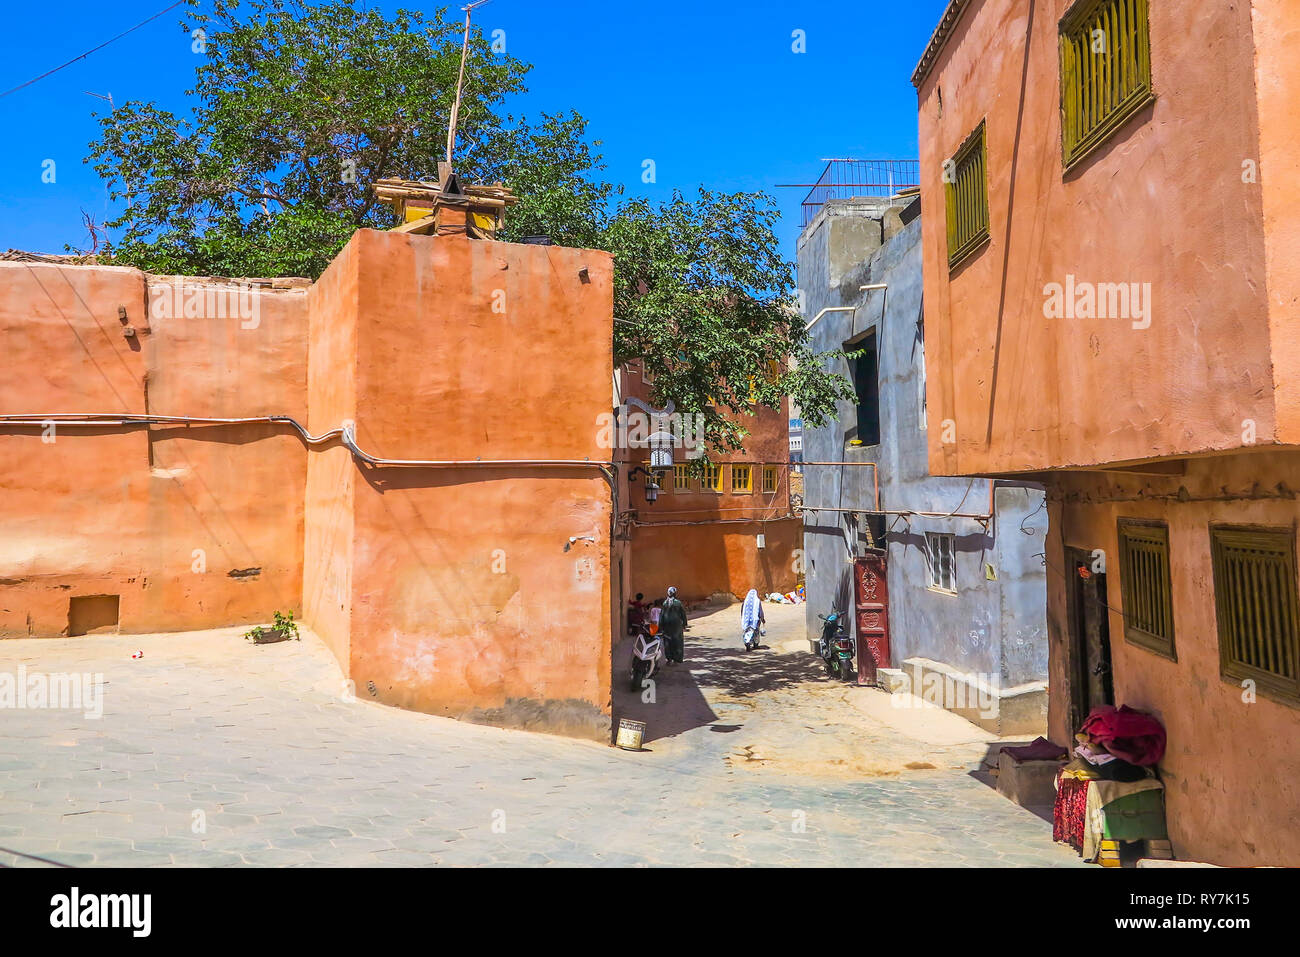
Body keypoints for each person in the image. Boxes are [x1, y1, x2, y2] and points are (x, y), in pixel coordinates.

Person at [660, 586, 688, 664]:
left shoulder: (665, 603)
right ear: (675, 594)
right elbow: (683, 614)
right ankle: (677, 659)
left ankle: (669, 658)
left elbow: (661, 615)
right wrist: (684, 624)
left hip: (666, 625)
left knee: (667, 642)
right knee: (677, 641)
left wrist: (660, 626)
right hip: (676, 626)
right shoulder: (678, 603)